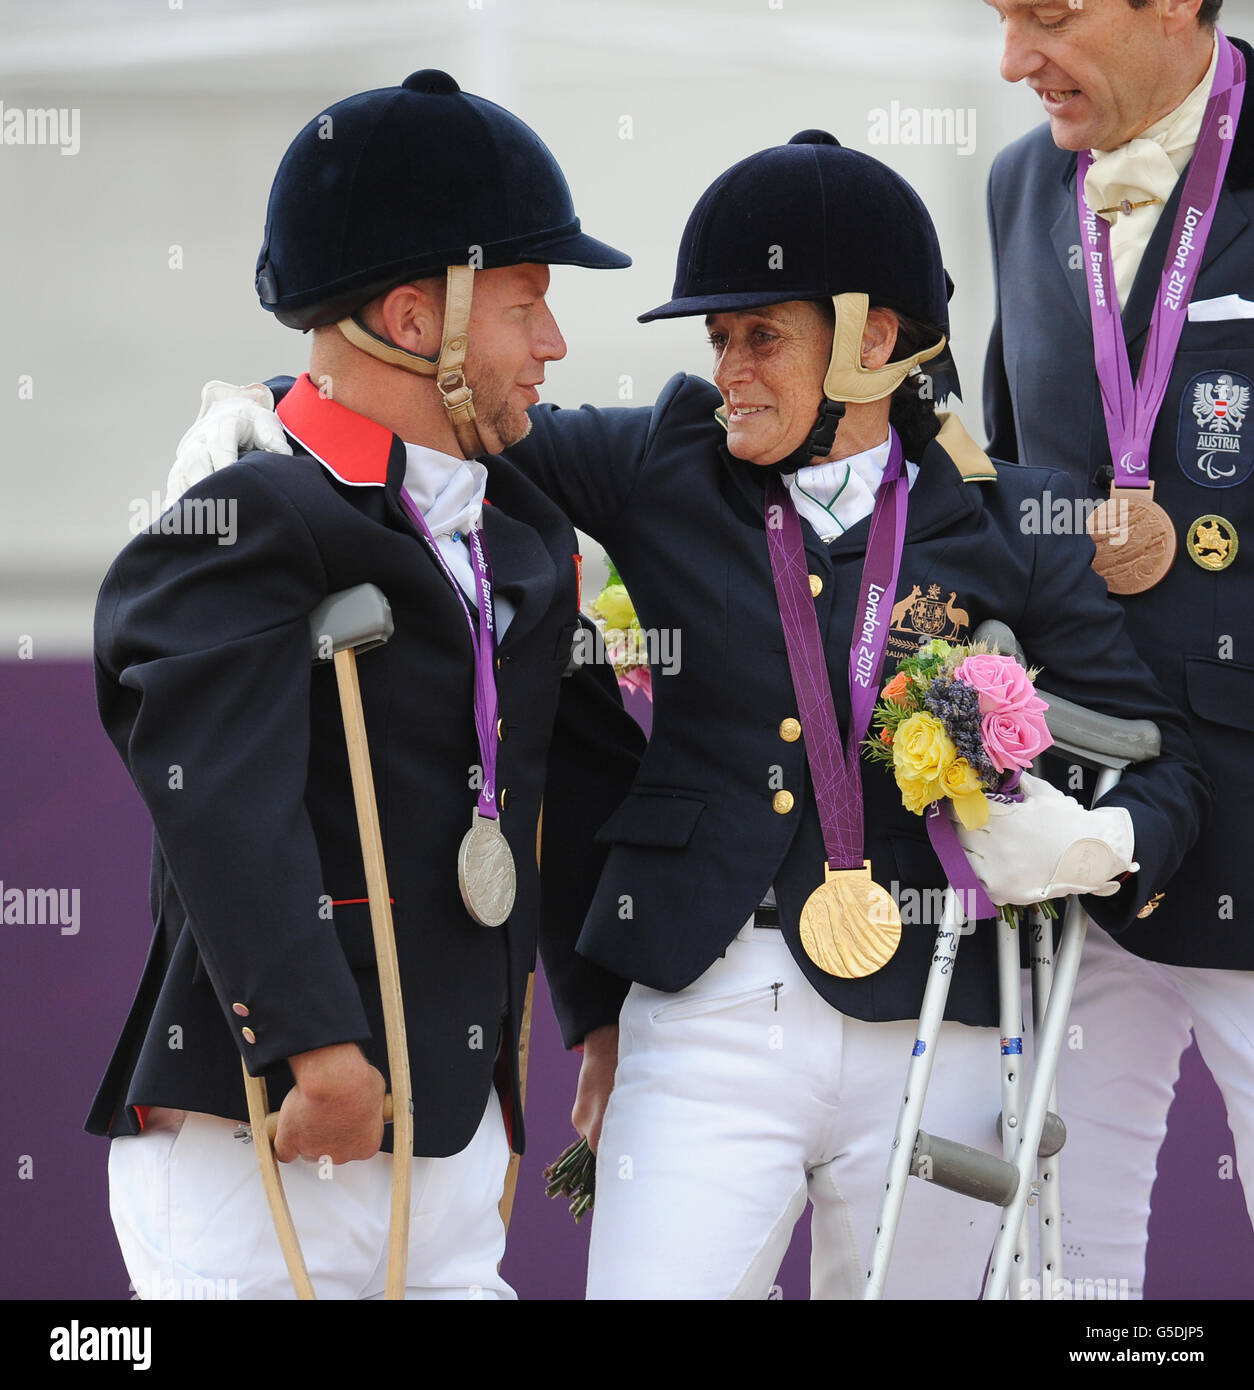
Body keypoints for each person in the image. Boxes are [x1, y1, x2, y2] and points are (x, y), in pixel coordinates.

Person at [170, 130, 1210, 1298]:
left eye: (761, 337)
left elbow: (1158, 765)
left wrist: (1095, 839)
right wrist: (279, 413)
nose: (730, 373)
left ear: (873, 342)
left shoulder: (1011, 520)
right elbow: (455, 411)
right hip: (713, 1003)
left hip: (943, 1014)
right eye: (720, 341)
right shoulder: (666, 458)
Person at [86, 69, 642, 1301]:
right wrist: (316, 1046)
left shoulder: (523, 531)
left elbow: (571, 771)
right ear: (411, 319)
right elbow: (218, 797)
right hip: (271, 1138)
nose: (554, 344)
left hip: (452, 1149)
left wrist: (600, 1014)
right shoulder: (245, 511)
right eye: (528, 304)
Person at [984, 0, 1253, 1297]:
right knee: (1064, 1265)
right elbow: (1008, 481)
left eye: (1043, 15)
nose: (1011, 62)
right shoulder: (1016, 181)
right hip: (1081, 823)